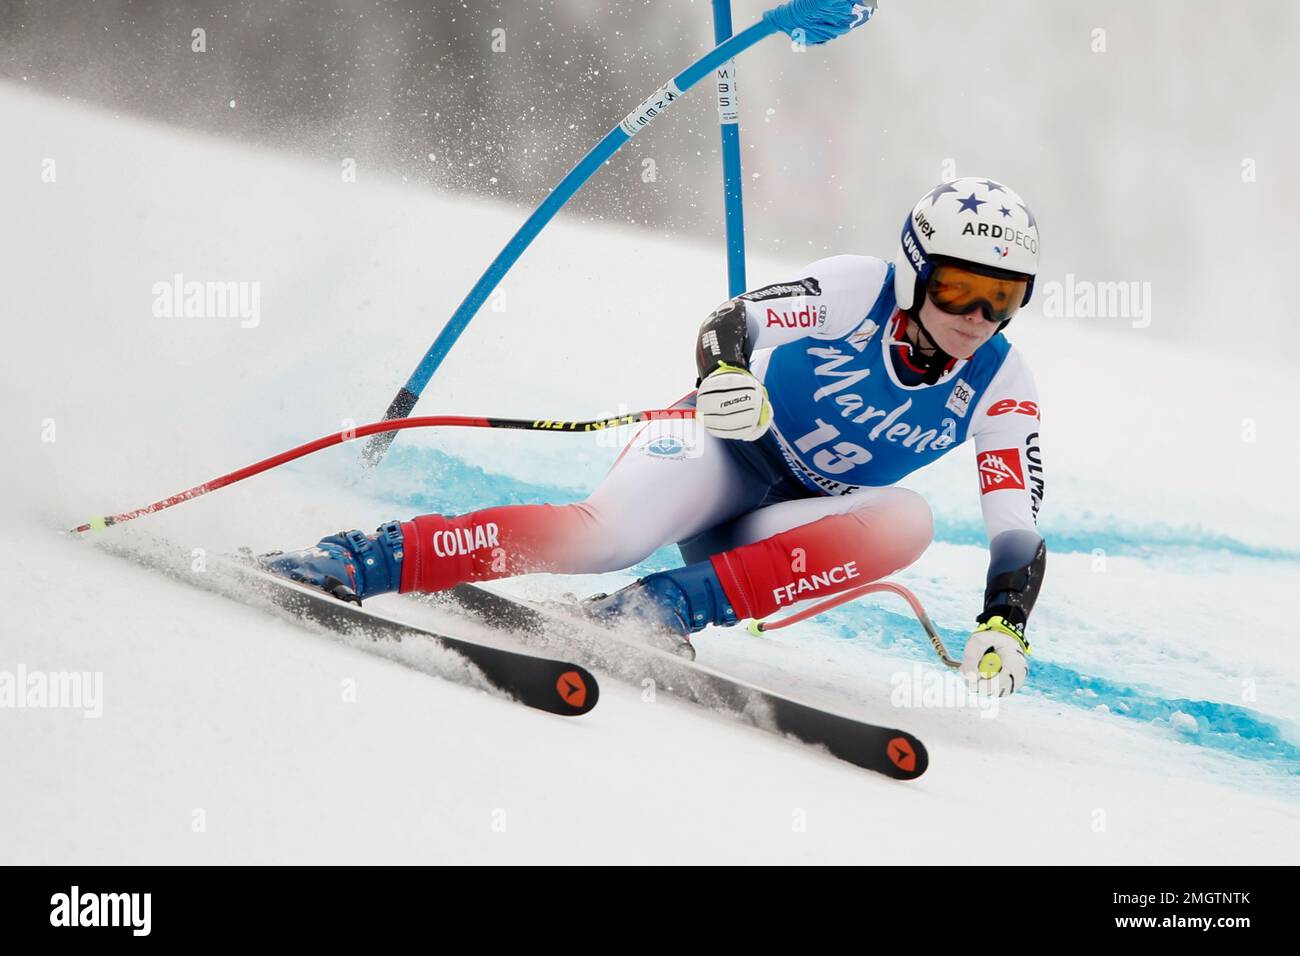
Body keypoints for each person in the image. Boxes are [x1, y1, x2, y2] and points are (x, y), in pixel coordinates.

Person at [264, 176, 1047, 697]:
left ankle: (651, 612)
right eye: (958, 289)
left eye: (1002, 299)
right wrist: (727, 375)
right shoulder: (857, 288)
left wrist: (1005, 622)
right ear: (915, 273)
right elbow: (732, 320)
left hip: (777, 527)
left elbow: (1016, 523)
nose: (975, 319)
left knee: (909, 520)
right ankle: (360, 558)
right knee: (604, 537)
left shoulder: (1001, 382)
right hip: (713, 450)